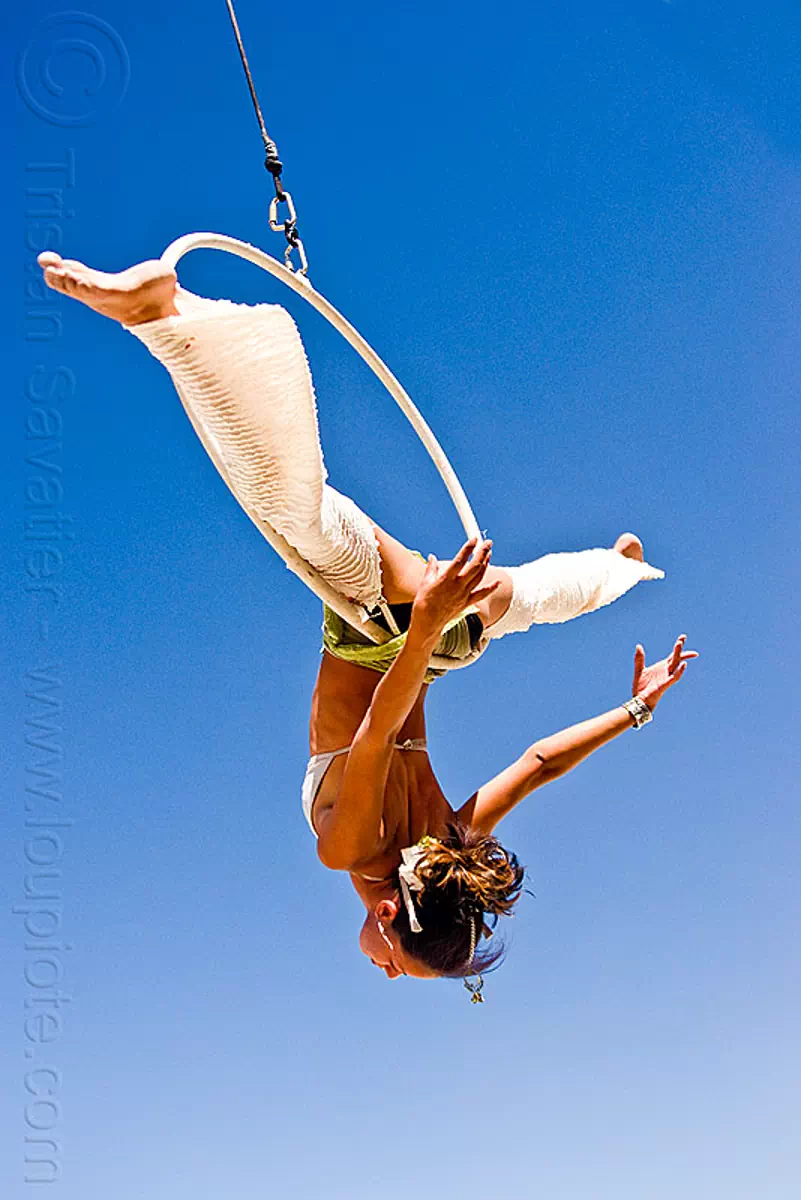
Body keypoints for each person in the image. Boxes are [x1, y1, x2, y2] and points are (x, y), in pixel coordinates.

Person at [38, 250, 698, 996]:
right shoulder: (352, 851)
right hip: (388, 628)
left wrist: (638, 705)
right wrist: (421, 625)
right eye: (395, 962)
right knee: (295, 512)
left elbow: (539, 762)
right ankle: (163, 312)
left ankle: (618, 566)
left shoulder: (450, 839)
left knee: (527, 597)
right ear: (388, 913)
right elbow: (373, 735)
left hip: (447, 646)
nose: (382, 971)